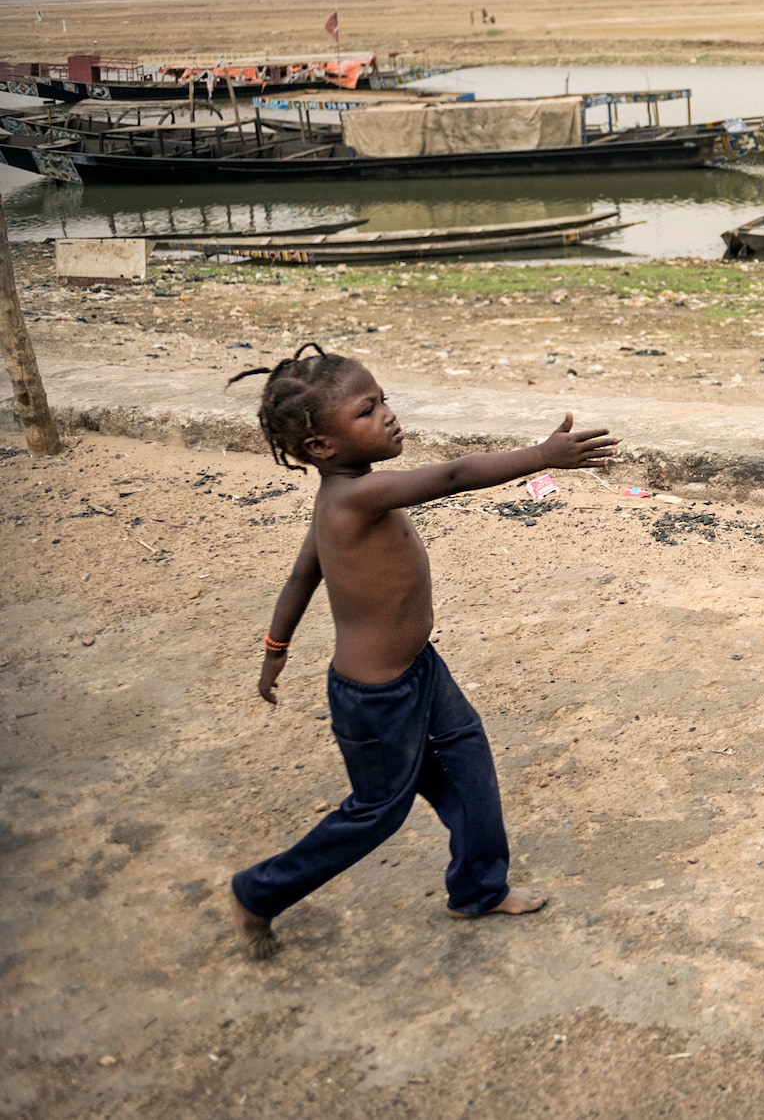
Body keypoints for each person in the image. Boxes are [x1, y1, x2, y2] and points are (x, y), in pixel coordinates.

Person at [225, 344, 618, 957]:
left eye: (384, 401)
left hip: (420, 671)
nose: (387, 415)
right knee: (377, 811)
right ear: (322, 448)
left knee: (468, 767)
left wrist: (276, 647)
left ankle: (479, 890)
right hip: (376, 698)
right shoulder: (353, 499)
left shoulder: (350, 496)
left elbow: (303, 575)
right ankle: (258, 892)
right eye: (366, 411)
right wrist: (543, 457)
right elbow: (455, 475)